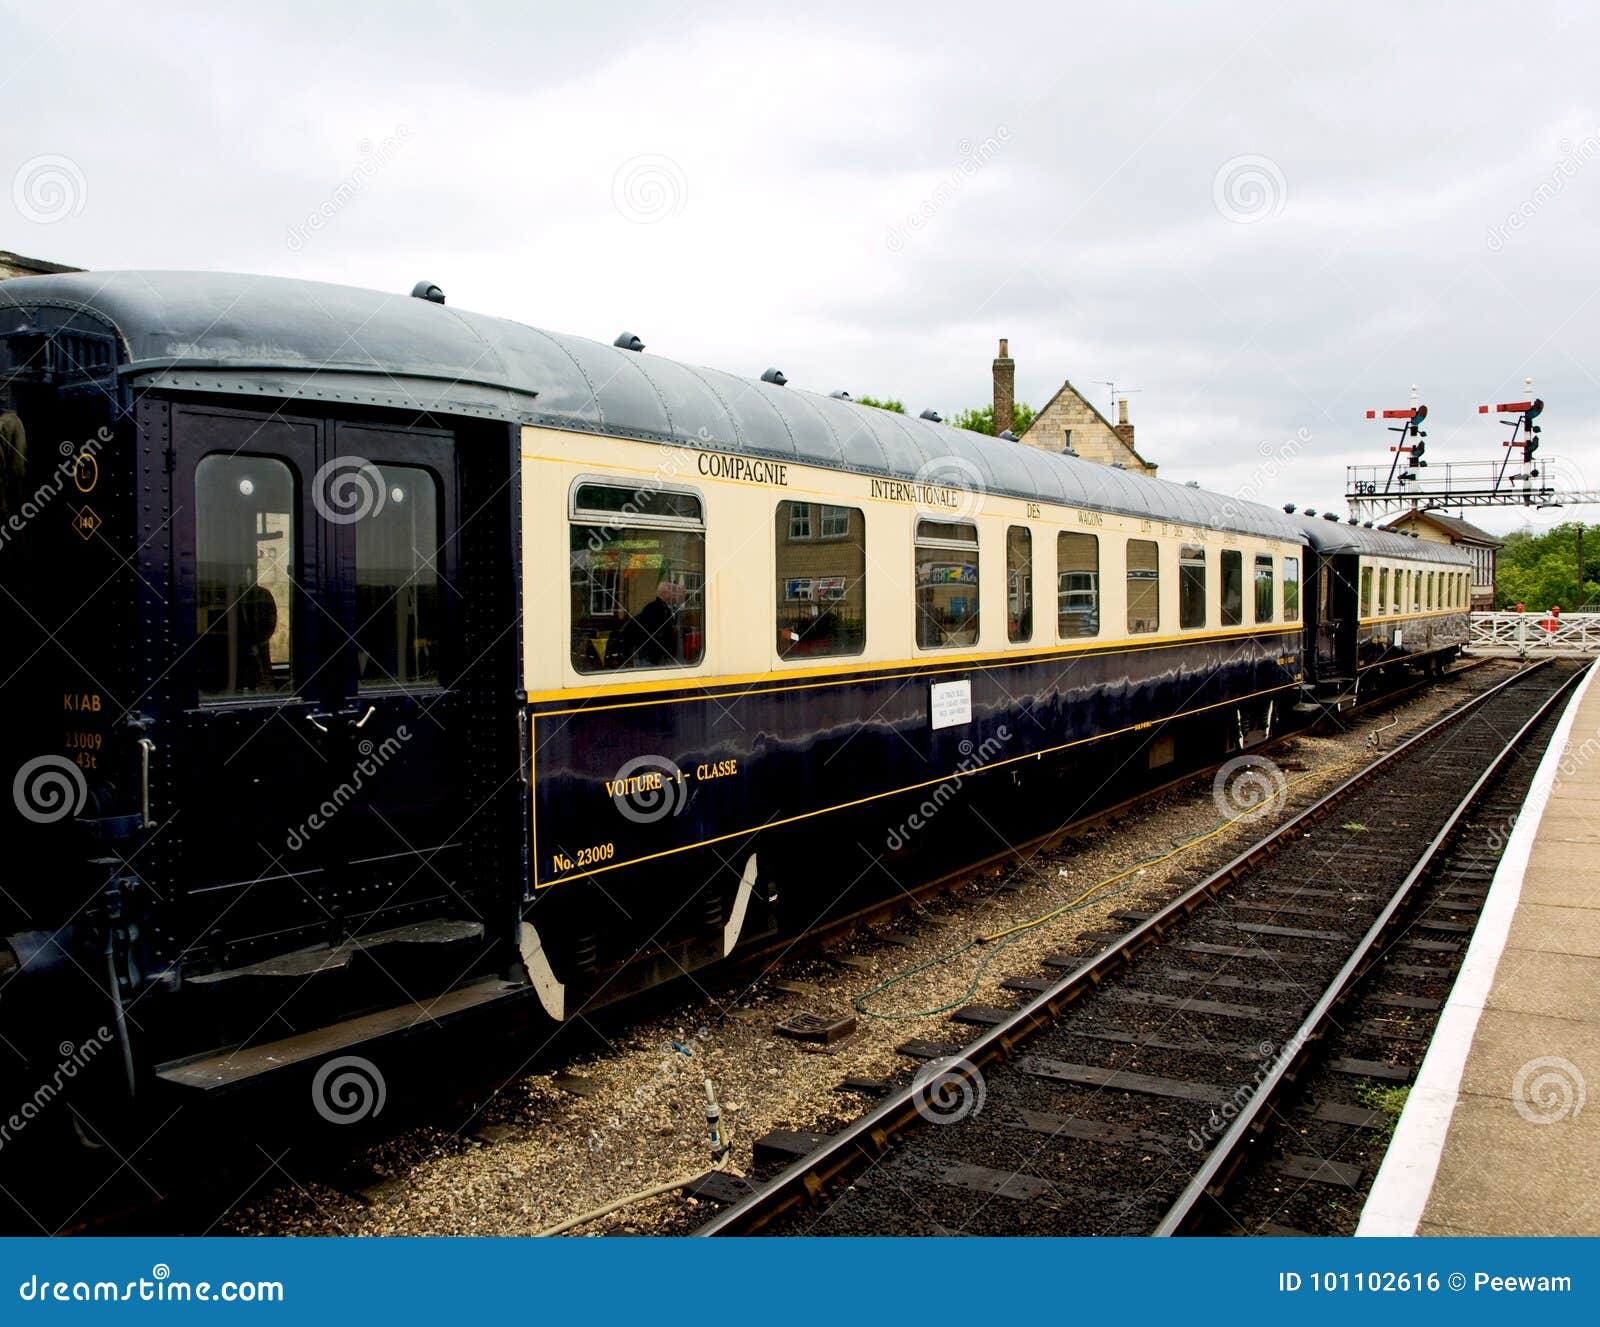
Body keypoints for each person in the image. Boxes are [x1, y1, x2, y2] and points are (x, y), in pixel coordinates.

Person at [620, 578, 687, 667]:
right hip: (651, 660)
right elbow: (633, 628)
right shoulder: (654, 609)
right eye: (674, 592)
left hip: (655, 658)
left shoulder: (664, 608)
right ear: (666, 594)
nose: (677, 595)